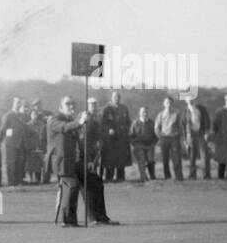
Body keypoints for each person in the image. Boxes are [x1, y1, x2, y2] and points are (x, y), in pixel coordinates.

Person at [48, 96, 118, 227]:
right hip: (63, 164)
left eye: (72, 103)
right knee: (72, 185)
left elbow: (80, 143)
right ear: (60, 107)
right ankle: (68, 221)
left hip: (77, 162)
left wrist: (89, 160)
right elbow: (64, 128)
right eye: (67, 104)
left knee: (95, 182)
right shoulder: (54, 120)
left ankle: (98, 217)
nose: (71, 106)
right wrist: (80, 122)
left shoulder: (74, 121)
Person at [101, 92, 131, 182]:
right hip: (110, 138)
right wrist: (108, 129)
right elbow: (103, 123)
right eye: (115, 97)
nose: (116, 98)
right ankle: (109, 178)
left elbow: (128, 122)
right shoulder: (106, 109)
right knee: (110, 158)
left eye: (118, 97)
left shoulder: (124, 108)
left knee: (121, 158)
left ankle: (120, 177)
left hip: (121, 137)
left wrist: (125, 130)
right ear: (111, 98)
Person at [181, 95, 212, 180]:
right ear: (186, 101)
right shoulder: (185, 112)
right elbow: (183, 126)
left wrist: (207, 132)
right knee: (192, 156)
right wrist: (185, 139)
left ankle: (206, 175)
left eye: (191, 98)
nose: (190, 100)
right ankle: (192, 175)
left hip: (201, 134)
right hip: (190, 135)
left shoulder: (201, 109)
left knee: (204, 155)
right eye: (188, 99)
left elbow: (207, 121)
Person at [154, 97, 184, 182]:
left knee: (176, 158)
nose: (168, 104)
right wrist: (160, 136)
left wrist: (180, 137)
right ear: (164, 104)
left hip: (174, 138)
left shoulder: (176, 114)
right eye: (167, 102)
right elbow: (156, 128)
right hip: (164, 139)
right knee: (165, 158)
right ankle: (167, 176)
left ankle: (179, 176)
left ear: (172, 104)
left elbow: (180, 127)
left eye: (170, 103)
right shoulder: (160, 115)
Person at [2, 98, 28, 187]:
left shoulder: (23, 116)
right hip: (11, 143)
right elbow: (4, 129)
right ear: (13, 103)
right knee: (11, 163)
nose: (18, 104)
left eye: (19, 103)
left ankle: (19, 181)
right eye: (17, 103)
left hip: (21, 143)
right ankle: (11, 182)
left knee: (20, 162)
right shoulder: (8, 115)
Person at [129, 106, 157, 182]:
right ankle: (143, 177)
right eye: (143, 112)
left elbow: (156, 135)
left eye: (146, 112)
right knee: (141, 160)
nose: (144, 114)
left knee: (151, 160)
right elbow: (131, 136)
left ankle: (152, 176)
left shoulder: (152, 123)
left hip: (149, 146)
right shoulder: (135, 123)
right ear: (139, 113)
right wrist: (135, 144)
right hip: (139, 146)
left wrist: (153, 144)